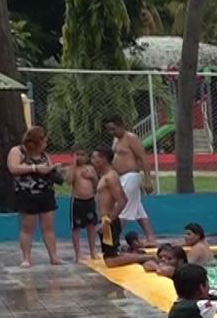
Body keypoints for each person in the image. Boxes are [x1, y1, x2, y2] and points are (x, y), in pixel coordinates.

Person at [8, 126, 62, 267]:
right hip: (27, 193)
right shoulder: (18, 151)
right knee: (27, 226)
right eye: (43, 141)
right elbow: (13, 168)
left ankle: (54, 256)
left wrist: (53, 170)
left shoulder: (44, 154)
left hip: (45, 193)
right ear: (36, 141)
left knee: (48, 226)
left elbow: (49, 168)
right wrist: (35, 168)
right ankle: (26, 258)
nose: (46, 144)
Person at [93, 147, 150, 269]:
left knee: (111, 260)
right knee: (110, 256)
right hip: (104, 219)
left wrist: (108, 222)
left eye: (95, 157)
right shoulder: (104, 176)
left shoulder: (111, 177)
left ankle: (147, 257)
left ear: (104, 159)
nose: (92, 160)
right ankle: (136, 256)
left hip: (108, 220)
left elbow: (122, 200)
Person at [106, 115, 156, 245]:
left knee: (122, 208)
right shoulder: (116, 140)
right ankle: (151, 238)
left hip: (131, 176)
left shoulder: (131, 138)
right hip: (120, 177)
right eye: (109, 130)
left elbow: (143, 158)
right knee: (138, 209)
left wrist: (148, 180)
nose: (112, 132)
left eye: (114, 129)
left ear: (121, 125)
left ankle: (114, 239)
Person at [67, 147, 99, 261]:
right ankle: (78, 253)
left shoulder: (90, 168)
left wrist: (92, 177)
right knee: (76, 227)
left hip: (89, 200)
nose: (80, 157)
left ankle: (92, 250)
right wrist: (73, 165)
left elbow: (96, 182)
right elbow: (69, 181)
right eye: (77, 154)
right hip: (77, 201)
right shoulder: (73, 169)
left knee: (91, 226)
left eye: (82, 154)